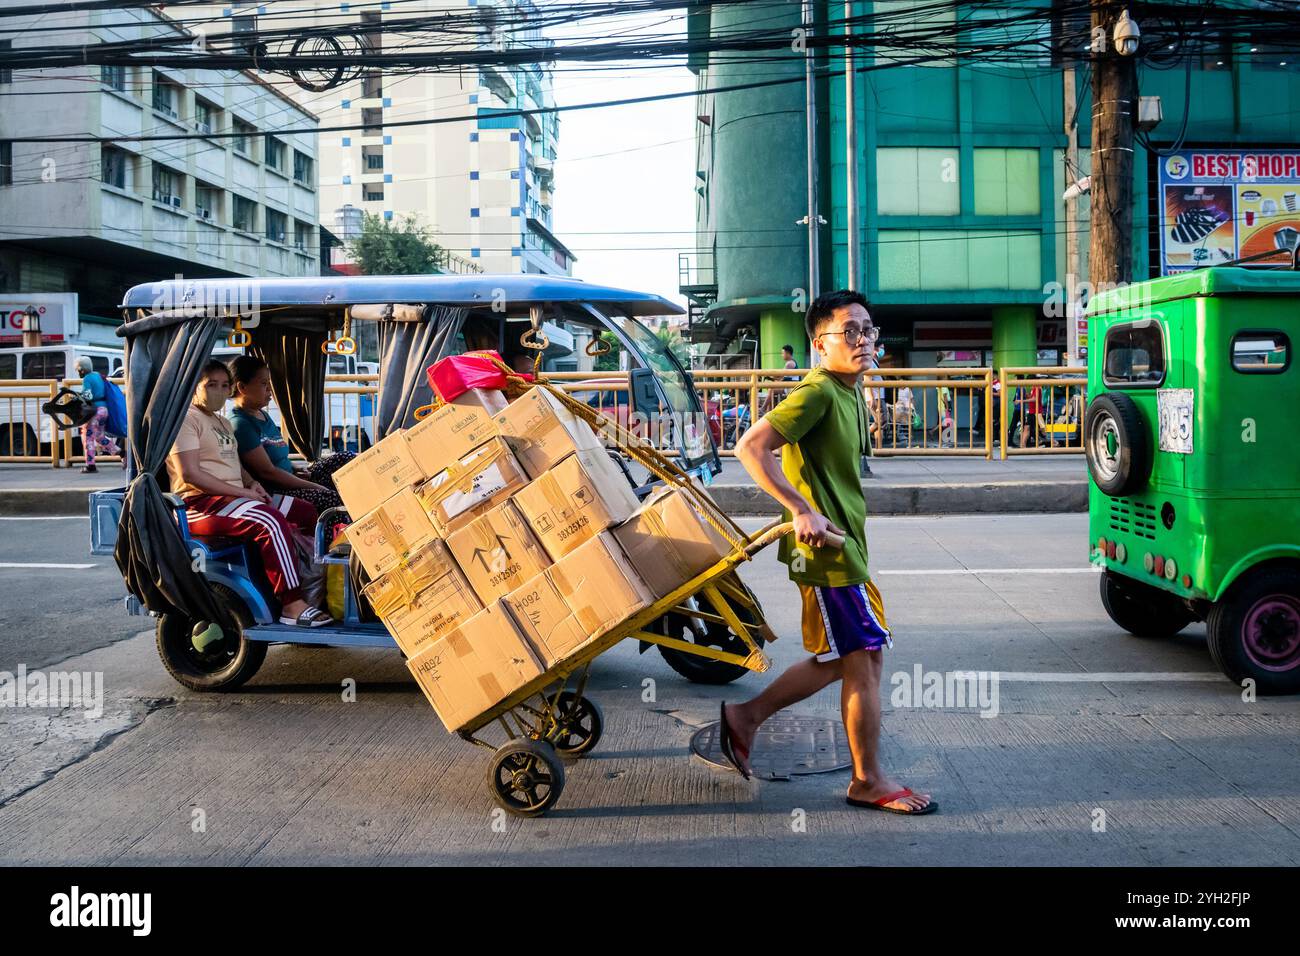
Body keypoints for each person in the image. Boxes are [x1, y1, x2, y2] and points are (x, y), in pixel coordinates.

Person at [722, 289, 936, 815]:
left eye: (868, 330)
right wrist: (799, 509)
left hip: (846, 551)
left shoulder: (848, 393)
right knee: (861, 660)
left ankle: (746, 718)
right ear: (820, 344)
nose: (863, 341)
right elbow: (750, 447)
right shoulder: (817, 391)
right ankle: (868, 780)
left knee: (851, 657)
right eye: (850, 332)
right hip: (824, 554)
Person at [167, 359, 333, 628]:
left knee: (308, 512)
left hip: (233, 497)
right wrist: (241, 493)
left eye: (224, 386)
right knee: (269, 521)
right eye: (211, 385)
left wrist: (252, 484)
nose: (219, 392)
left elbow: (233, 462)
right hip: (199, 503)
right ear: (194, 387)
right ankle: (292, 604)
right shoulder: (185, 421)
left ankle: (313, 588)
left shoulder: (220, 421)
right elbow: (190, 475)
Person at [227, 355, 353, 520]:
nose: (270, 389)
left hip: (291, 479)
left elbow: (276, 455)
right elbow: (268, 472)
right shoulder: (241, 424)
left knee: (344, 459)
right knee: (332, 500)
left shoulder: (262, 414)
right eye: (264, 384)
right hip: (275, 491)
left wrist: (295, 468)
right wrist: (315, 487)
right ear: (242, 387)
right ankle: (333, 543)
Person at [74, 356, 120, 474]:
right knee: (99, 437)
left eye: (78, 370)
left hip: (94, 411)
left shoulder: (87, 379)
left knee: (88, 438)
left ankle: (90, 465)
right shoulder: (98, 375)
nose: (78, 372)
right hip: (104, 410)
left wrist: (76, 397)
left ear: (81, 369)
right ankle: (121, 453)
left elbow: (88, 396)